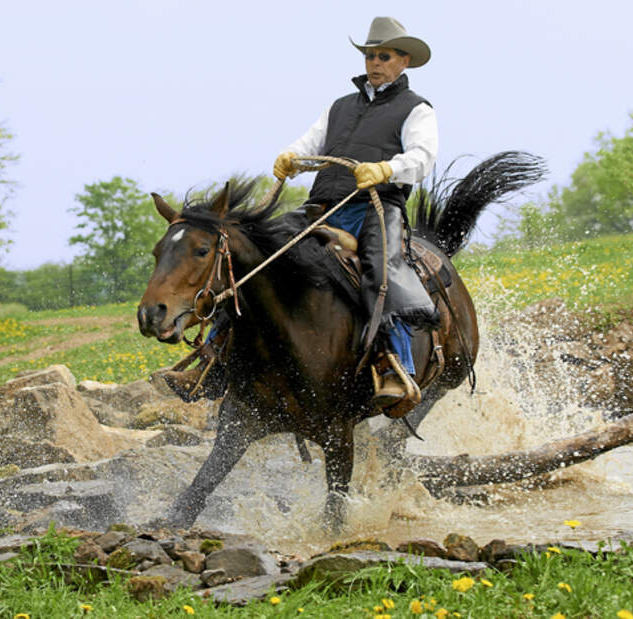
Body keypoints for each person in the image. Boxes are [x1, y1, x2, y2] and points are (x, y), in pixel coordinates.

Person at [163, 16, 440, 418]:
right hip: (323, 206)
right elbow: (312, 141)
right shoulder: (341, 106)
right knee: (254, 258)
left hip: (377, 207)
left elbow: (422, 158)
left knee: (382, 272)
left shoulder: (417, 110)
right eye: (369, 55)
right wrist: (291, 155)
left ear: (404, 61)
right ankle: (213, 357)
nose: (374, 62)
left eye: (383, 56)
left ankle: (397, 369)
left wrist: (386, 170)